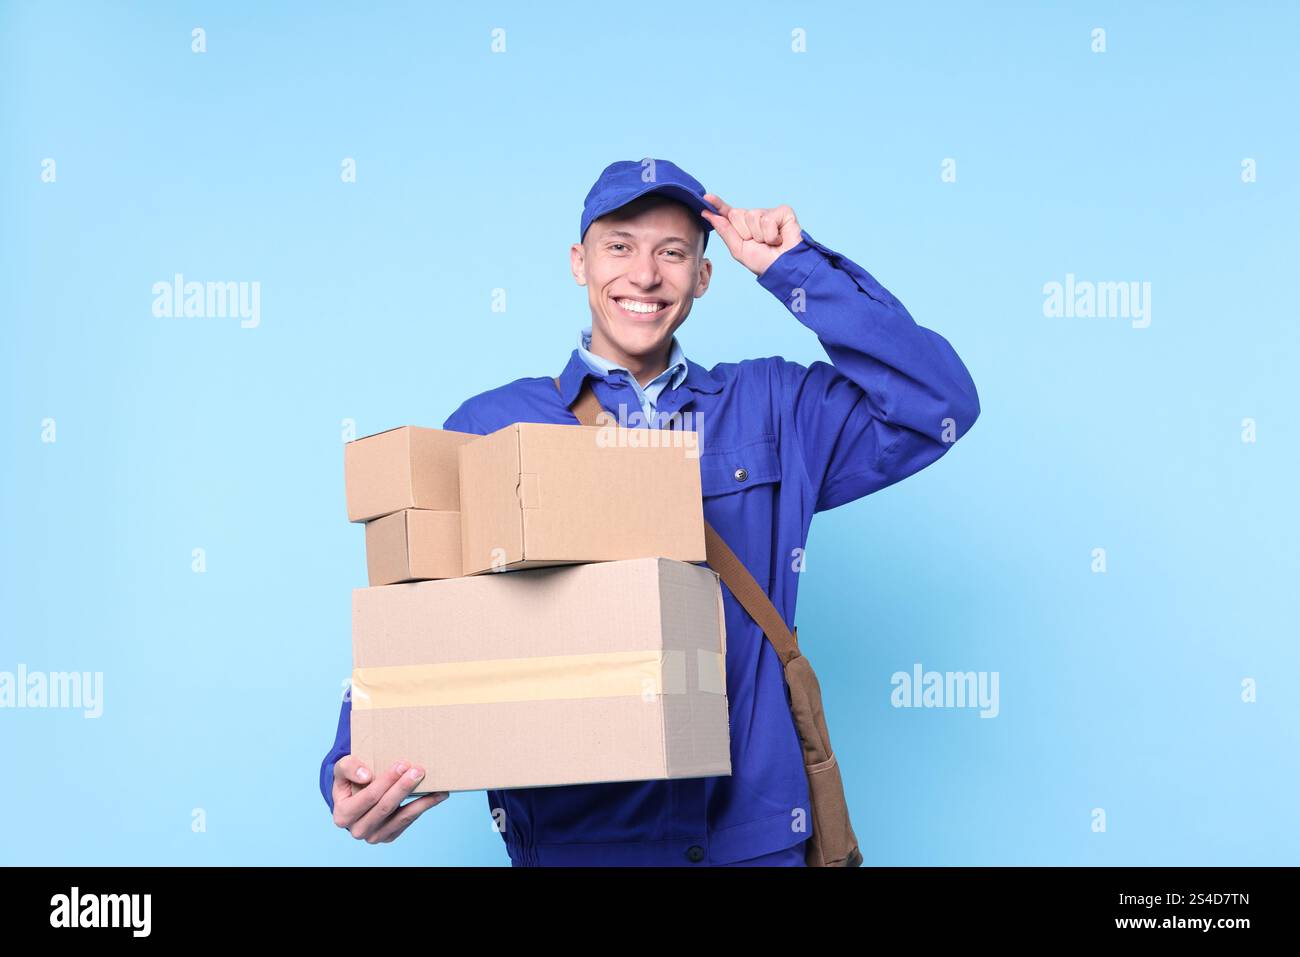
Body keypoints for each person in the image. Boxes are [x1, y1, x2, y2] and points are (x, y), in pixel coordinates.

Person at [321, 158, 981, 866]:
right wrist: (352, 761)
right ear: (579, 262)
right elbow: (418, 619)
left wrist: (796, 268)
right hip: (581, 843)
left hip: (751, 844)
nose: (644, 274)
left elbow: (939, 403)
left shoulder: (775, 407)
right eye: (620, 246)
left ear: (703, 274)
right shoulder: (493, 426)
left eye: (672, 252)